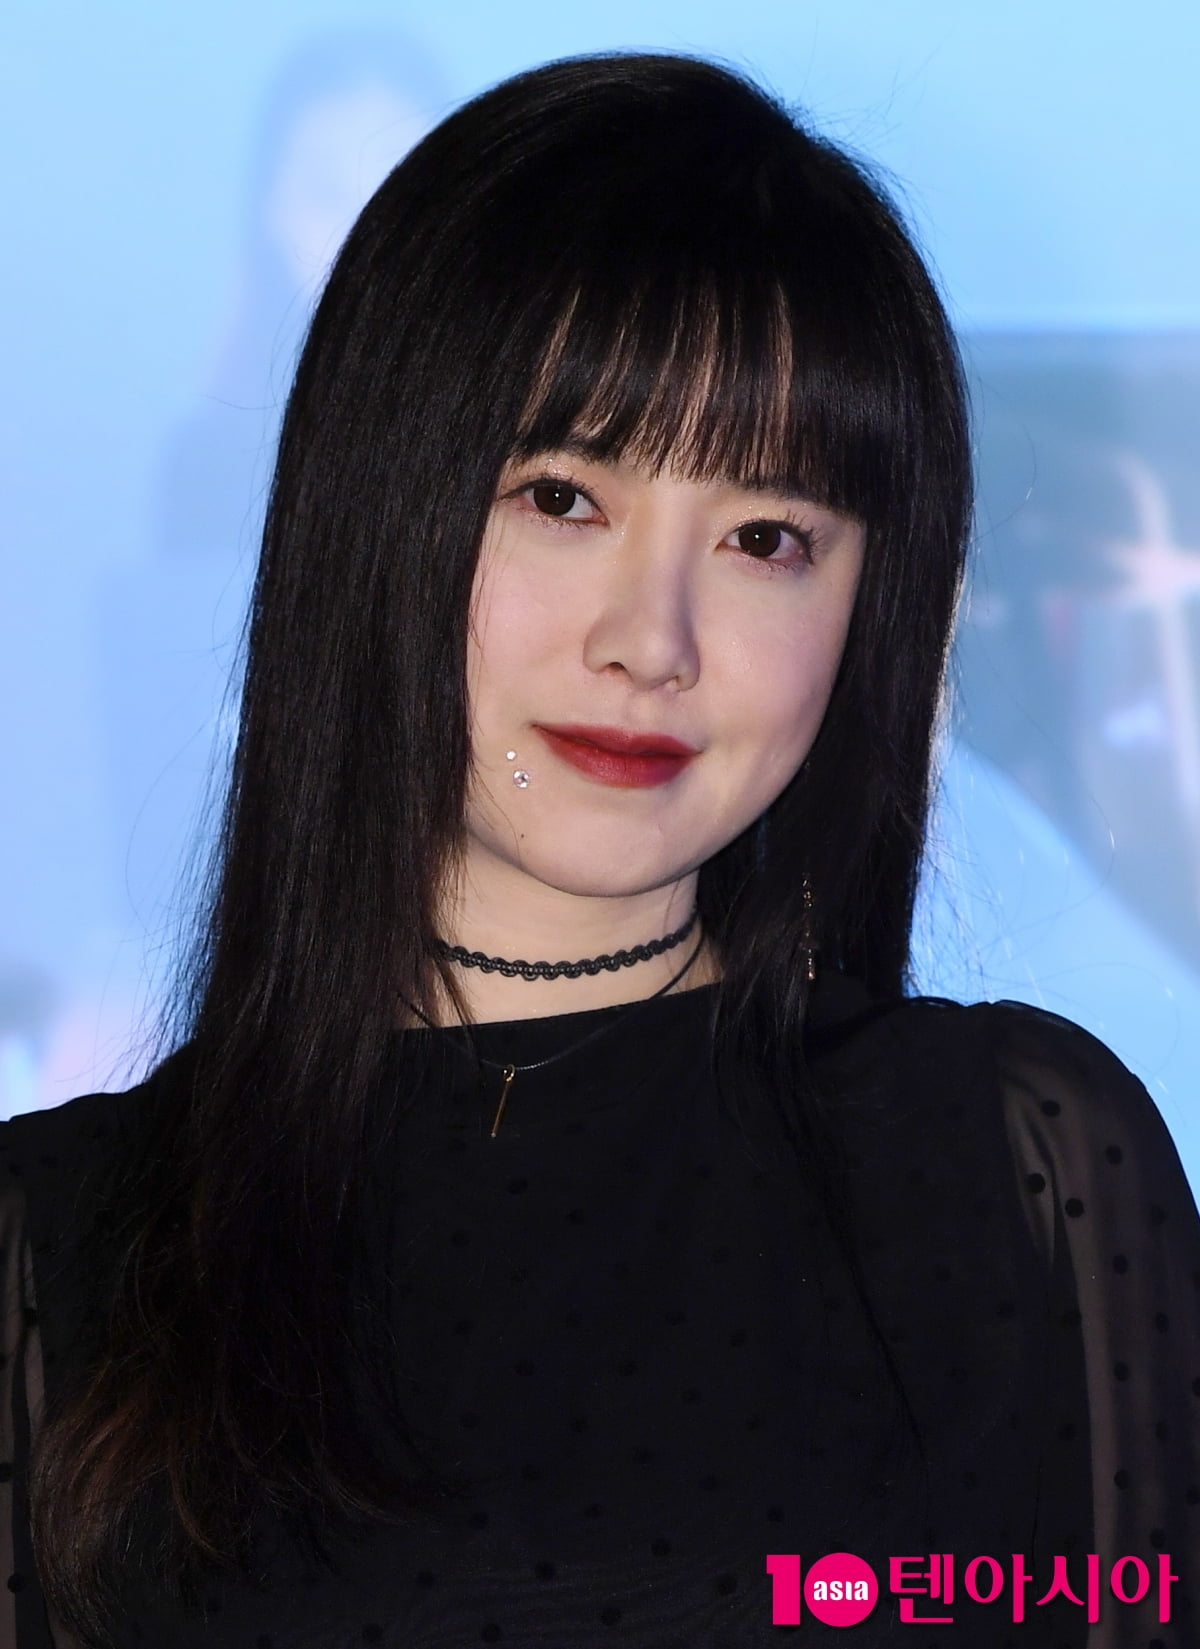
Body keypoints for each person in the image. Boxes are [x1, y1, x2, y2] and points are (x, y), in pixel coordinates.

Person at [2, 51, 1197, 1649]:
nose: (654, 640)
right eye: (563, 497)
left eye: (768, 537)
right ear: (377, 511)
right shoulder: (56, 1248)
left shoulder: (1024, 1162)